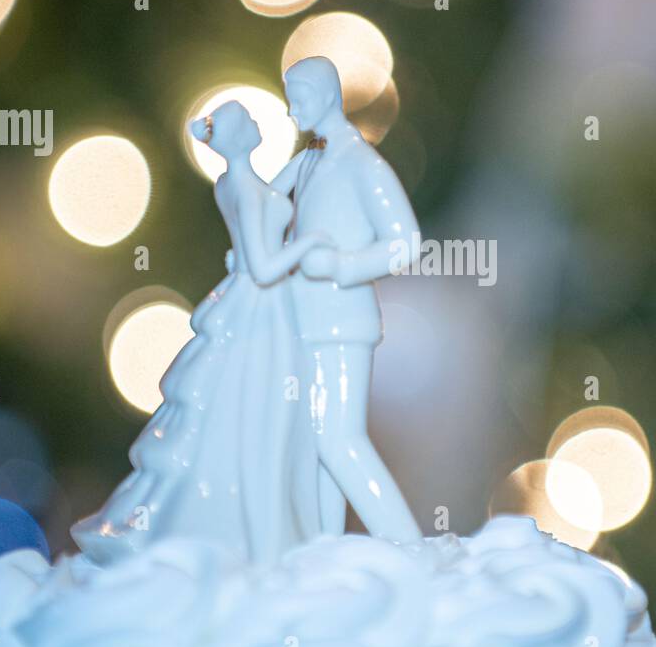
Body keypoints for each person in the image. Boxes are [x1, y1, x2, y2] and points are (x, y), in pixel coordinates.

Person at [71, 100, 331, 564]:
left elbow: (269, 198)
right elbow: (266, 264)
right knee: (255, 413)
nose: (257, 125)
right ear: (238, 136)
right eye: (249, 122)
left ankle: (258, 527)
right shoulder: (246, 191)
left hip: (247, 302)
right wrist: (308, 244)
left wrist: (304, 161)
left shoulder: (232, 183)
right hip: (261, 309)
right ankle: (243, 532)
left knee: (243, 411)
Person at [270, 56, 422, 543]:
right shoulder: (310, 160)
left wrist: (343, 266)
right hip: (306, 320)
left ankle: (407, 546)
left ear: (326, 96)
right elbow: (264, 200)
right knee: (316, 441)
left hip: (343, 323)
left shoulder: (361, 164)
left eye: (300, 99)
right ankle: (323, 548)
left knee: (340, 440)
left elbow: (406, 243)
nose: (292, 111)